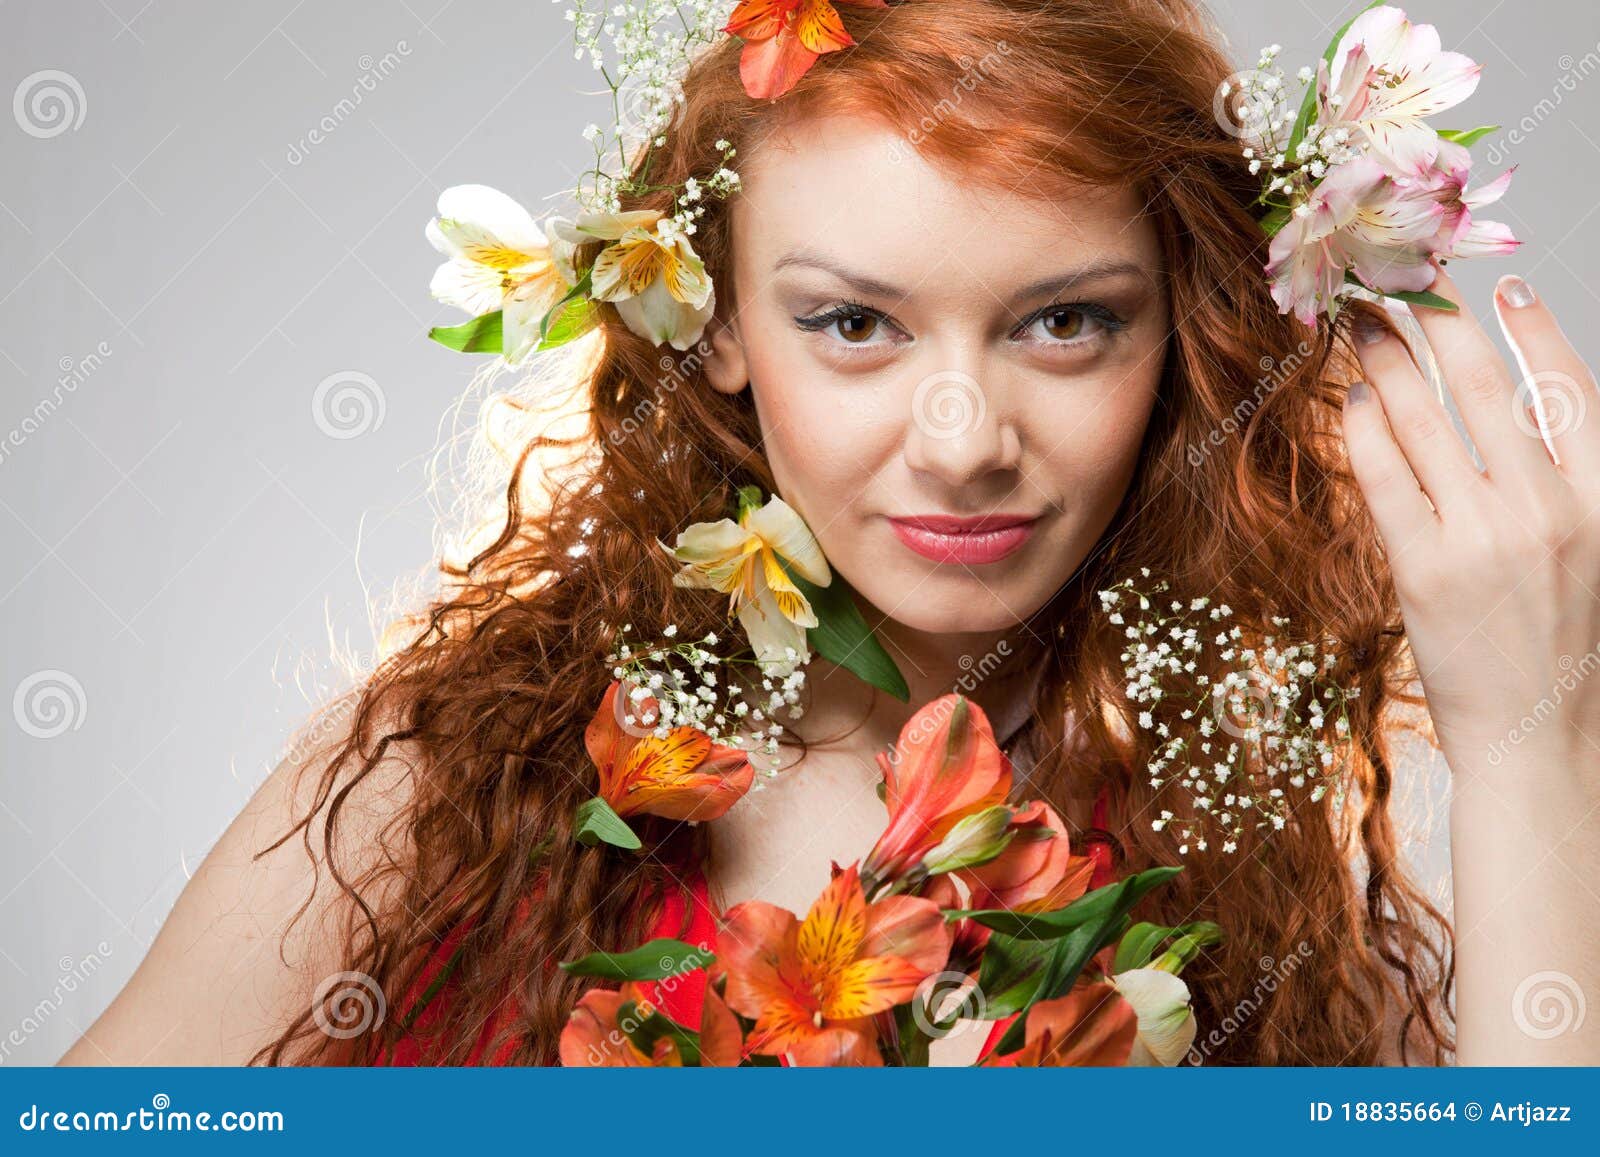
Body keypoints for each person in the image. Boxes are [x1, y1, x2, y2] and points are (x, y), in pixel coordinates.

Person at [61, 0, 1599, 1067]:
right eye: (854, 320)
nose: (962, 438)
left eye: (1065, 321)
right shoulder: (442, 777)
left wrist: (1531, 744)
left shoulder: (1269, 856)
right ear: (715, 314)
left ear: (1180, 336)